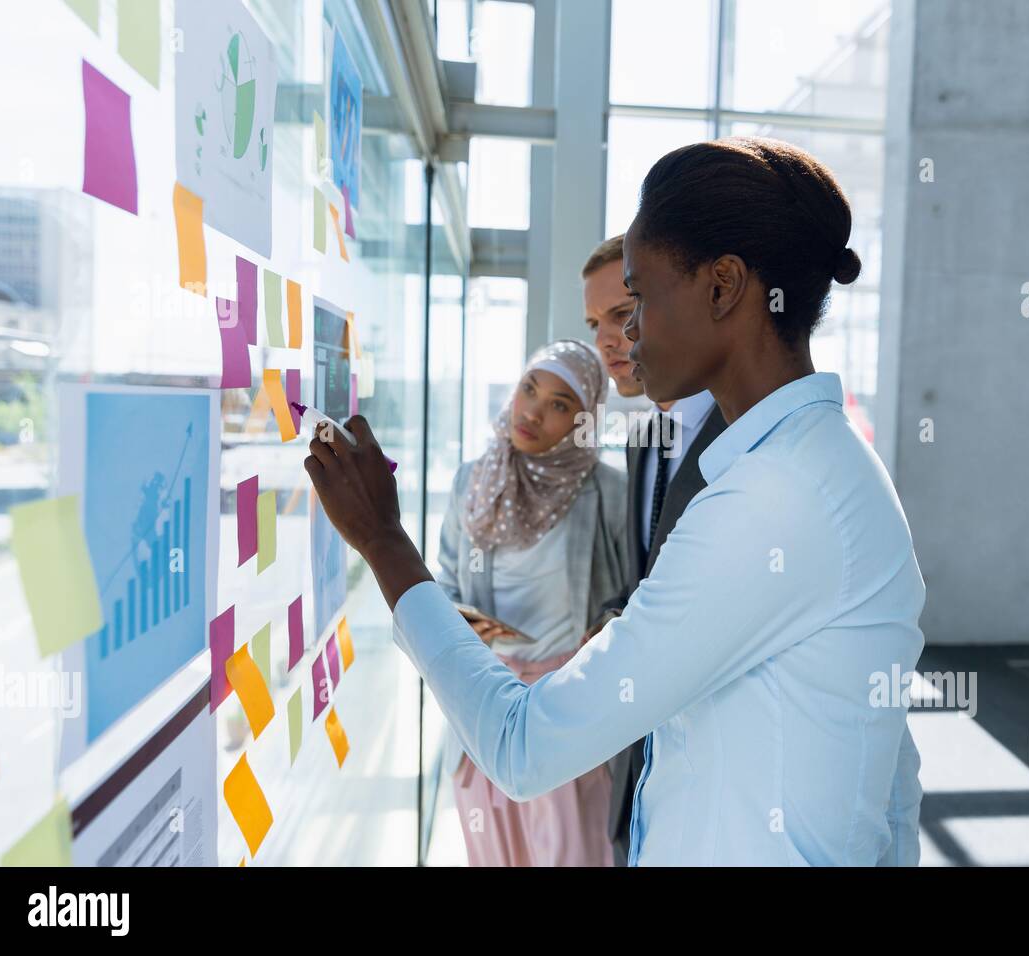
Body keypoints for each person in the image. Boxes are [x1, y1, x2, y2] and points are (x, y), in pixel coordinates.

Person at [304, 136, 926, 865]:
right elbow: (893, 782)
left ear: (722, 286)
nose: (624, 335)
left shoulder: (773, 498)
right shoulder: (821, 467)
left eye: (641, 295)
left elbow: (523, 745)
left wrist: (383, 542)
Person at [432, 339, 630, 866]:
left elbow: (635, 593)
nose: (533, 411)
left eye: (560, 404)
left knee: (573, 851)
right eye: (528, 389)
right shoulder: (473, 481)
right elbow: (446, 579)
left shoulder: (608, 492)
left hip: (566, 710)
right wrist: (459, 618)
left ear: (584, 420)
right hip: (486, 703)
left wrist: (608, 626)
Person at [582, 234, 727, 866]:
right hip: (637, 752)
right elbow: (647, 580)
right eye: (594, 323)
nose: (609, 339)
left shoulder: (741, 438)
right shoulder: (644, 441)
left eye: (622, 313)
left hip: (709, 767)